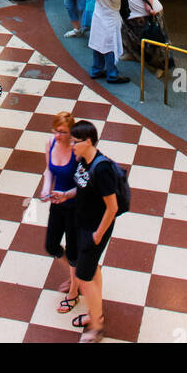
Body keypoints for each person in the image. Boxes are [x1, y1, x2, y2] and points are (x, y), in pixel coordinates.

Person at [69, 120, 121, 342]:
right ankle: (95, 313)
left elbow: (113, 207)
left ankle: (97, 327)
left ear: (88, 142)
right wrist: (66, 195)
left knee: (84, 276)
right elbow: (82, 188)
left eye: (75, 141)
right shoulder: (83, 162)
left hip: (94, 229)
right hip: (83, 224)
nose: (71, 145)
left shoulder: (102, 169)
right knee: (93, 270)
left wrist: (98, 234)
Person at [24, 110, 80, 311]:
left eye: (63, 132)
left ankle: (74, 290)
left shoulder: (77, 149)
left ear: (71, 132)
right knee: (51, 245)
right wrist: (46, 188)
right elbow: (49, 169)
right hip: (58, 204)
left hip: (75, 206)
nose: (58, 135)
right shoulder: (51, 143)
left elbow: (85, 186)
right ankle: (76, 277)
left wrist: (67, 195)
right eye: (56, 131)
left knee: (73, 251)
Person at [87, 0, 133, 85]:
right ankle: (112, 74)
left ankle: (96, 70)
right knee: (110, 44)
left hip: (99, 11)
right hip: (109, 15)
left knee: (98, 42)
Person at [119, 0, 171, 76]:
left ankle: (161, 66)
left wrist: (150, 7)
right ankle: (133, 54)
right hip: (134, 16)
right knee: (131, 36)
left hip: (149, 15)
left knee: (156, 42)